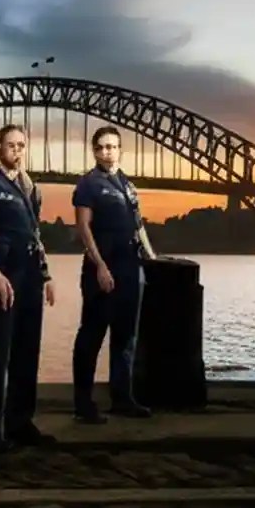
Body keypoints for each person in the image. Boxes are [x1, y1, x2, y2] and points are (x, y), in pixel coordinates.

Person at [0, 124, 57, 451]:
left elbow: (34, 235)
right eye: (10, 145)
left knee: (25, 353)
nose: (16, 151)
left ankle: (20, 423)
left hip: (29, 279)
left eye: (21, 145)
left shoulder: (31, 188)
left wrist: (45, 276)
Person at [70, 125, 157, 423]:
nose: (107, 151)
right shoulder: (88, 184)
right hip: (102, 269)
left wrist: (151, 259)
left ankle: (123, 399)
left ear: (121, 150)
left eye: (112, 146)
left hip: (131, 268)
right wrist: (100, 266)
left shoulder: (127, 185)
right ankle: (83, 404)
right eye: (102, 147)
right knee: (92, 335)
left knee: (125, 337)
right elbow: (83, 227)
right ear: (95, 151)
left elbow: (138, 226)